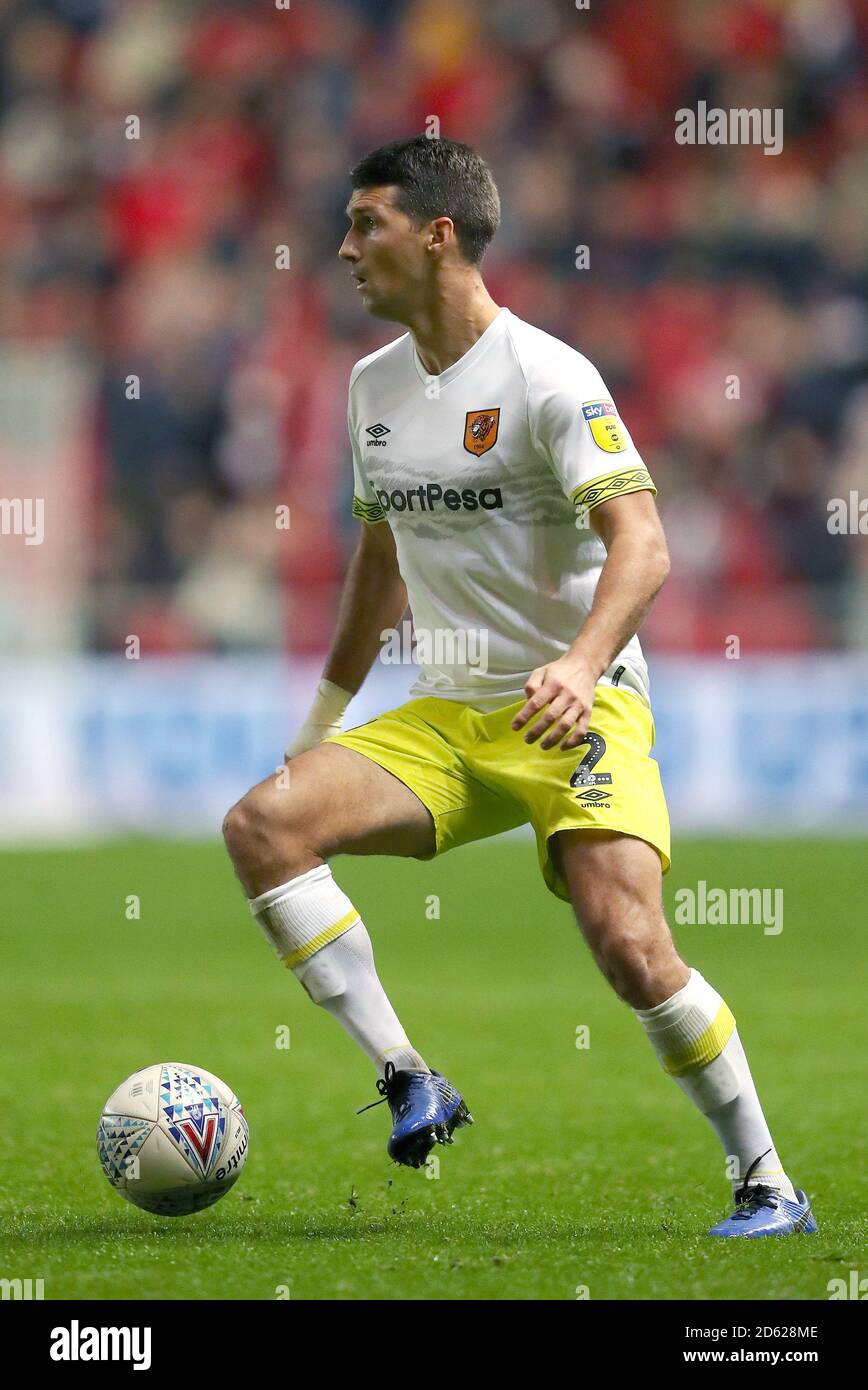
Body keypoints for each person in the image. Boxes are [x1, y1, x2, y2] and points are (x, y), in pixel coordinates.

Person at [223, 136, 816, 1237]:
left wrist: (582, 665)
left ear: (436, 235)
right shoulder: (371, 389)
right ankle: (409, 1076)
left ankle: (766, 1178)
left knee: (629, 944)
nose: (343, 249)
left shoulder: (550, 378)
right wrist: (320, 722)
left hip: (575, 707)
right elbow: (380, 564)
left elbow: (642, 544)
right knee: (265, 824)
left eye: (366, 225)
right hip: (449, 716)